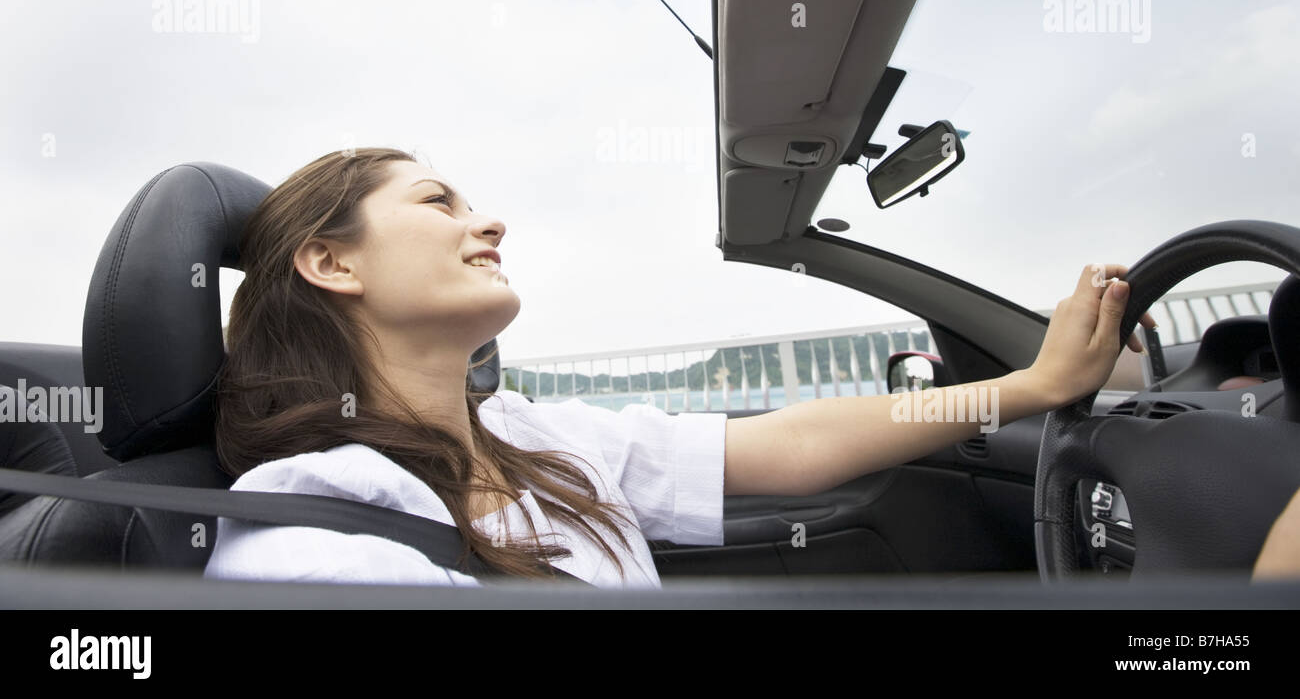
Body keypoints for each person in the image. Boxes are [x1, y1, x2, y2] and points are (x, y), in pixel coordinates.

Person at [202, 146, 1160, 588]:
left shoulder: (536, 434)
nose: (487, 221)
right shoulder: (321, 530)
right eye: (438, 203)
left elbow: (778, 448)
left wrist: (1031, 388)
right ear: (332, 263)